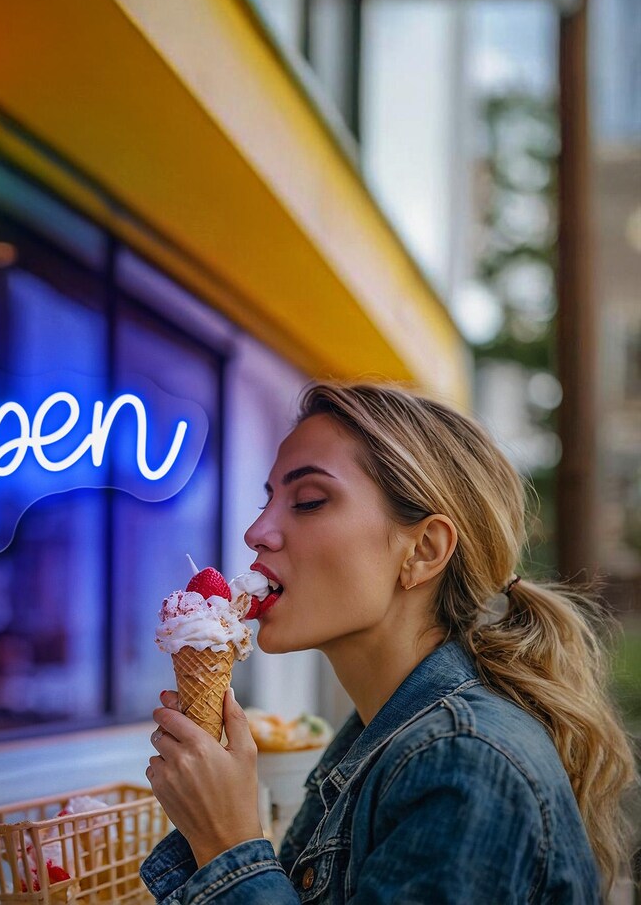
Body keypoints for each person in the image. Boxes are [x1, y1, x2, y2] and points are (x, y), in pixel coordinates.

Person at [142, 383, 635, 903]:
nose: (256, 531)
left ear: (423, 549)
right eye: (269, 500)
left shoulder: (461, 761)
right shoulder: (378, 737)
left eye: (308, 501)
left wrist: (228, 844)